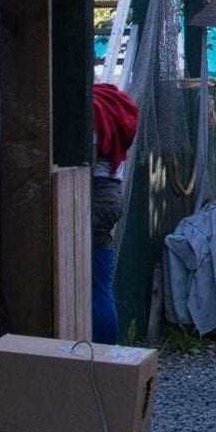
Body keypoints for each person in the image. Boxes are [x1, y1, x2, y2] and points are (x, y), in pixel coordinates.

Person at [91, 82, 138, 344]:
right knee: (100, 282)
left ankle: (103, 355)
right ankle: (106, 355)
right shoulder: (109, 103)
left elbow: (88, 158)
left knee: (96, 284)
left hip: (96, 194)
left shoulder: (93, 111)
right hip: (110, 193)